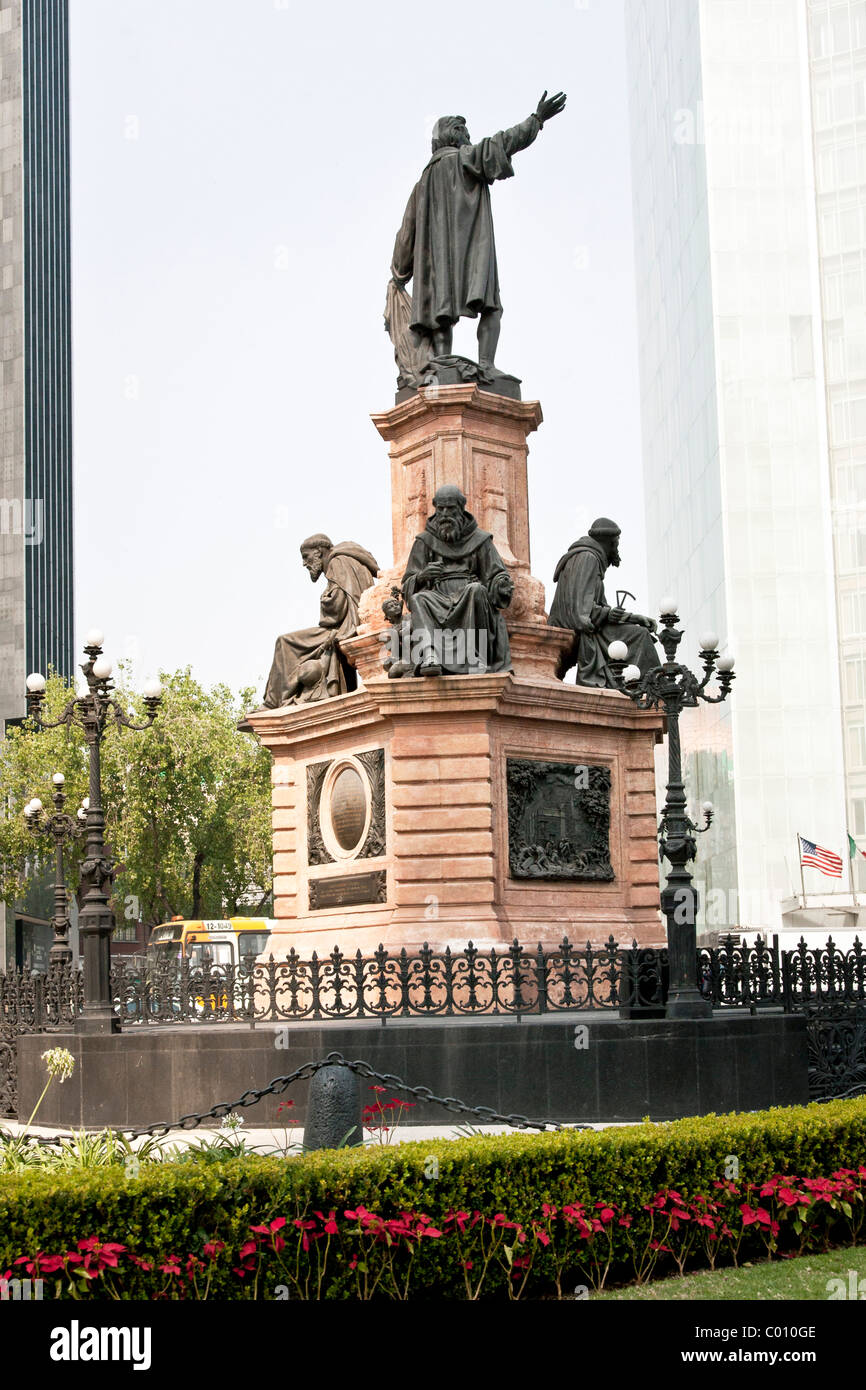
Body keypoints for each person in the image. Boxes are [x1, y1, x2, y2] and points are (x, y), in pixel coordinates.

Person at [390, 91, 567, 378]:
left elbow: (405, 235)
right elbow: (505, 142)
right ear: (455, 134)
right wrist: (537, 120)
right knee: (490, 304)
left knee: (440, 312)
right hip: (474, 252)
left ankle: (443, 363)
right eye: (466, 133)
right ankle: (486, 364)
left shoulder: (421, 186)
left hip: (437, 267)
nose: (469, 138)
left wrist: (398, 275)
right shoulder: (465, 158)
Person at [399, 485, 513, 675]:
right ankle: (429, 656)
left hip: (468, 595)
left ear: (461, 509)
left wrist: (501, 583)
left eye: (450, 509)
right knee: (419, 599)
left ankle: (473, 656)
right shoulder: (425, 540)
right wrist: (422, 576)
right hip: (437, 597)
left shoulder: (480, 540)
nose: (444, 514)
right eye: (440, 509)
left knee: (476, 590)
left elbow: (496, 573)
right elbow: (408, 583)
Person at [262, 534, 379, 707]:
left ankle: (272, 703)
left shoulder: (337, 562)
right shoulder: (344, 559)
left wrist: (324, 600)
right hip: (345, 625)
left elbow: (337, 607)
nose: (304, 563)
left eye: (306, 557)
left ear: (319, 552)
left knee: (285, 643)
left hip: (344, 628)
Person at [548, 517, 660, 689]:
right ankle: (649, 690)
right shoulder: (588, 558)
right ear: (609, 543)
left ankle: (637, 686)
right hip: (580, 628)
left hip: (588, 624)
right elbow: (582, 612)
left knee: (637, 632)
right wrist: (611, 614)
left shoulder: (587, 557)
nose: (617, 549)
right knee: (640, 636)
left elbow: (593, 606)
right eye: (616, 543)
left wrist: (634, 618)